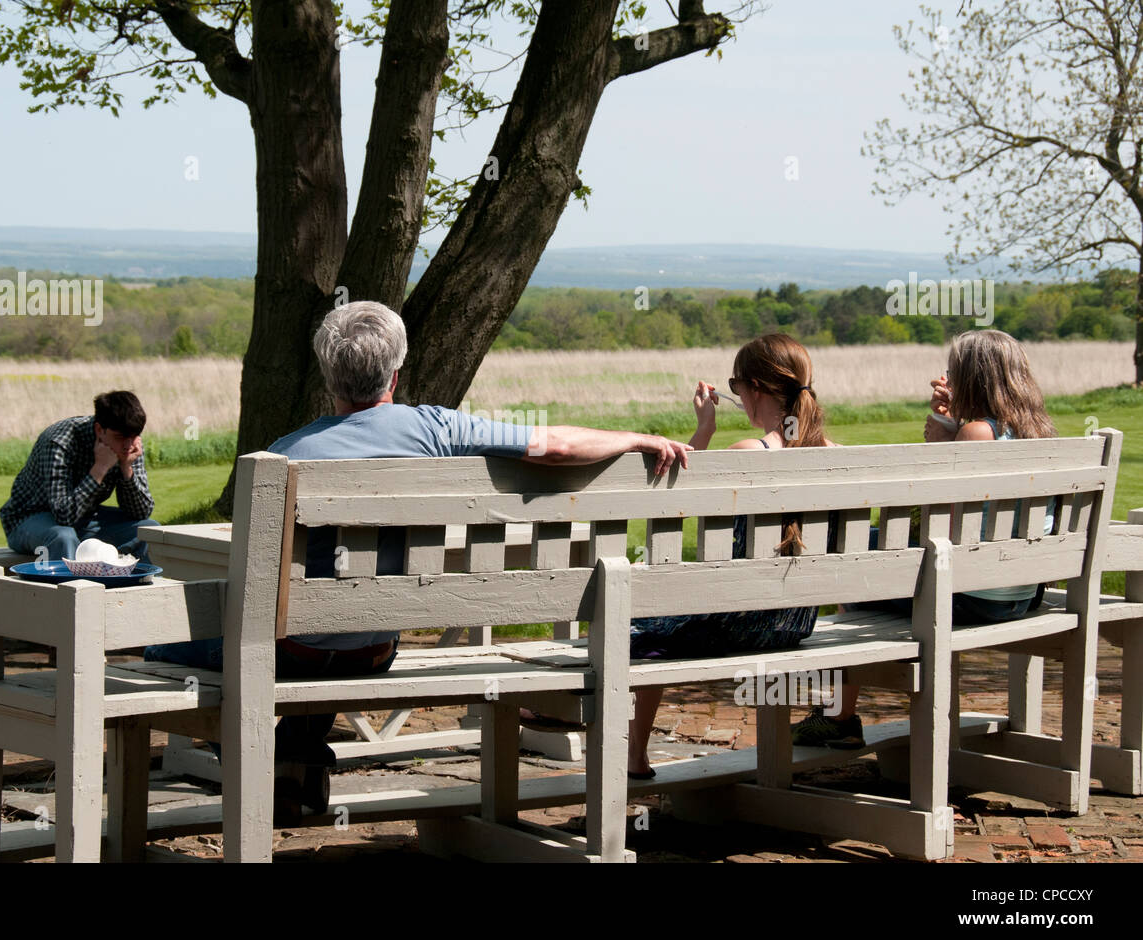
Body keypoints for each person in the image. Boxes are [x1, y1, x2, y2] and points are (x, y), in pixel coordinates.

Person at [144, 300, 693, 822]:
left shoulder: (286, 452)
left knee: (164, 646)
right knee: (330, 631)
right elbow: (553, 447)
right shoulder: (436, 429)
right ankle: (295, 769)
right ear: (395, 375)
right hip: (375, 648)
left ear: (327, 376)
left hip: (295, 654)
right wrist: (636, 437)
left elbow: (253, 573)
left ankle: (272, 761)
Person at [792, 328, 1059, 749]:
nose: (946, 375)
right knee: (868, 545)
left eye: (953, 370)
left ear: (974, 378)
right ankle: (842, 710)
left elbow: (941, 529)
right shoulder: (1041, 433)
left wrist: (943, 443)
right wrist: (947, 428)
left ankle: (840, 716)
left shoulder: (978, 433)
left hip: (972, 595)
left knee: (850, 559)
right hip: (1023, 594)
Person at [627, 333, 839, 779]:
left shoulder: (750, 452)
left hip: (735, 623)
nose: (736, 393)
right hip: (793, 624)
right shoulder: (832, 455)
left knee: (637, 624)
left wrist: (703, 430)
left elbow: (670, 507)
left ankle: (634, 757)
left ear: (755, 388)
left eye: (736, 383)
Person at [0, 390, 158, 563]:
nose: (128, 445)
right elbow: (63, 516)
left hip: (84, 518)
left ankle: (140, 587)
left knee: (149, 530)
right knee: (63, 537)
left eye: (134, 437)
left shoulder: (129, 443)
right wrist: (100, 468)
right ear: (99, 429)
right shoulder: (59, 442)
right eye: (120, 437)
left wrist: (126, 468)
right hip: (29, 517)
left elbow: (141, 512)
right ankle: (76, 589)